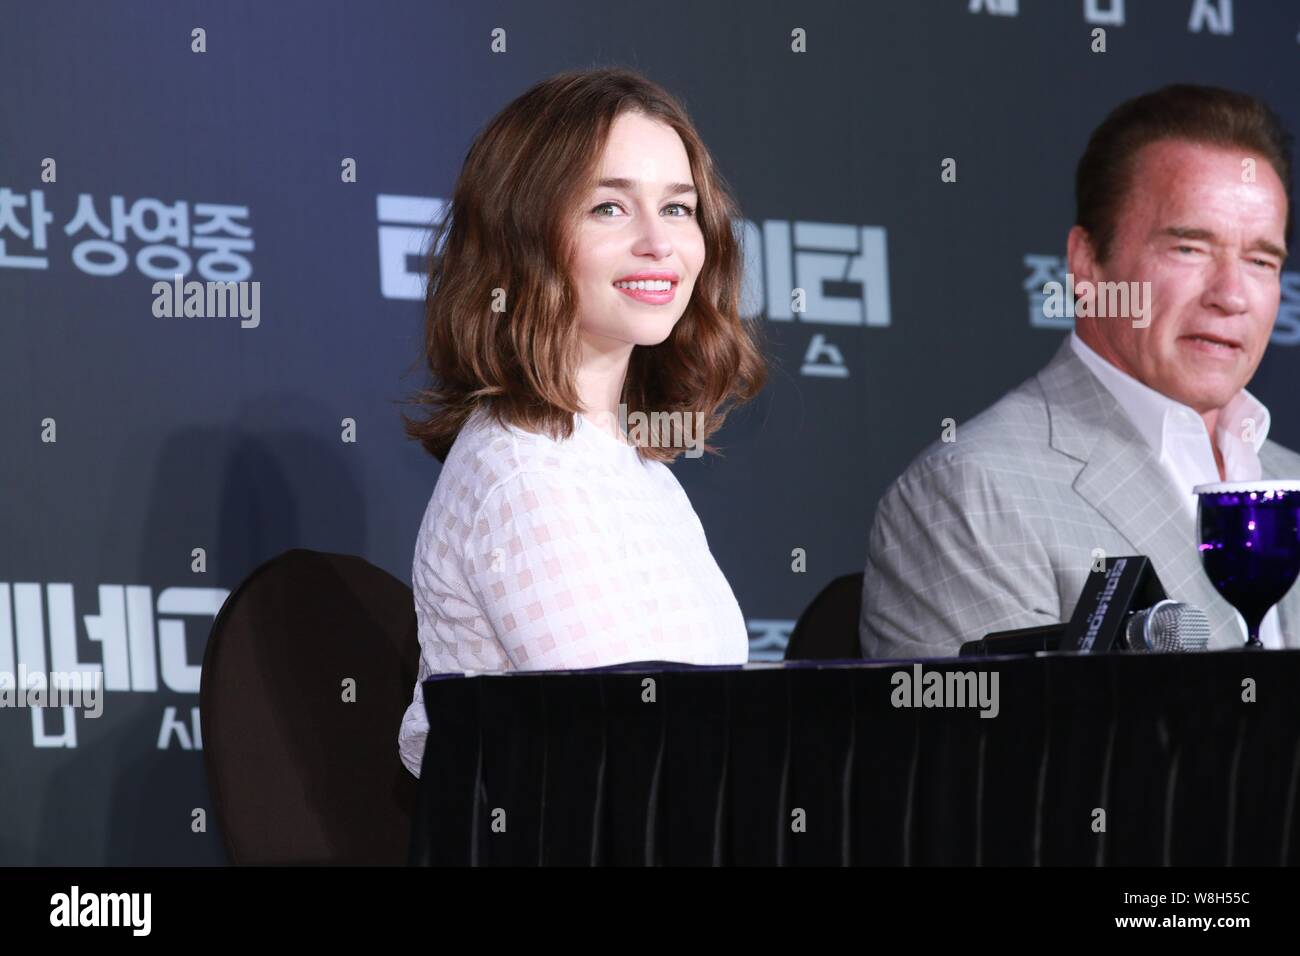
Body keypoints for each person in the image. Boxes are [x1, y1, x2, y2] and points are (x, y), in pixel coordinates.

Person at [397, 68, 766, 777]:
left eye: (680, 209)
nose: (660, 244)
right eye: (610, 209)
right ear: (524, 233)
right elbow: (638, 755)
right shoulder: (521, 474)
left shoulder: (634, 464)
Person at [862, 83, 1300, 659]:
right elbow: (1017, 749)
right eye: (1190, 249)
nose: (1231, 295)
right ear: (1087, 265)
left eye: (1261, 260)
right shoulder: (969, 497)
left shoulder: (1287, 476)